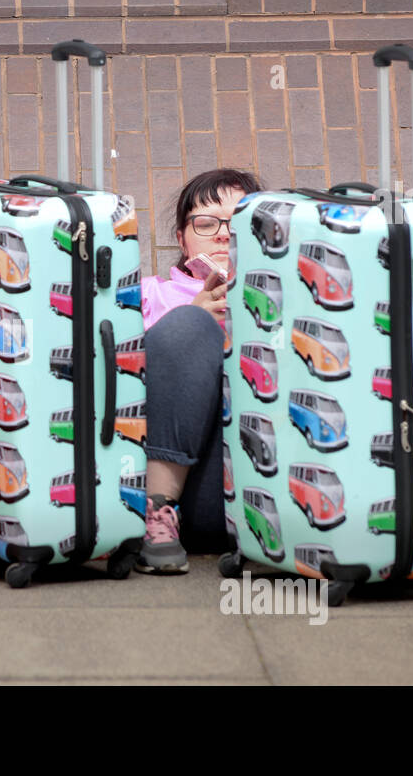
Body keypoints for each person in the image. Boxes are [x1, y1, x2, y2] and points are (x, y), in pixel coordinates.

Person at [137, 168, 264, 574]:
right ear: (182, 238)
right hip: (179, 495)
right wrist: (191, 317)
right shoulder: (147, 295)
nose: (224, 234)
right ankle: (154, 510)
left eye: (240, 223)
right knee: (190, 326)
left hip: (244, 494)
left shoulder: (288, 303)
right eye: (207, 223)